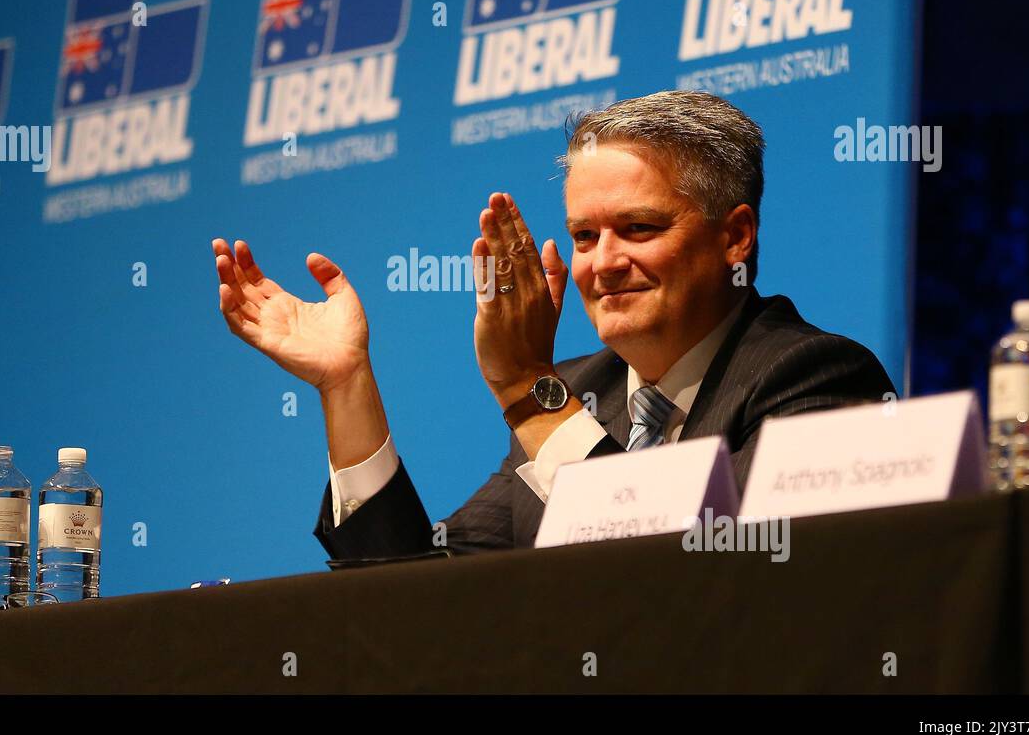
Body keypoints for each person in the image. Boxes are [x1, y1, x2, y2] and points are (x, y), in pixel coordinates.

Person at [211, 91, 901, 558]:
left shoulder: (813, 377)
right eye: (583, 235)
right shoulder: (576, 392)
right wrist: (347, 386)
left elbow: (678, 578)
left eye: (638, 227)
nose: (603, 263)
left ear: (735, 236)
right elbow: (417, 600)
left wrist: (525, 386)